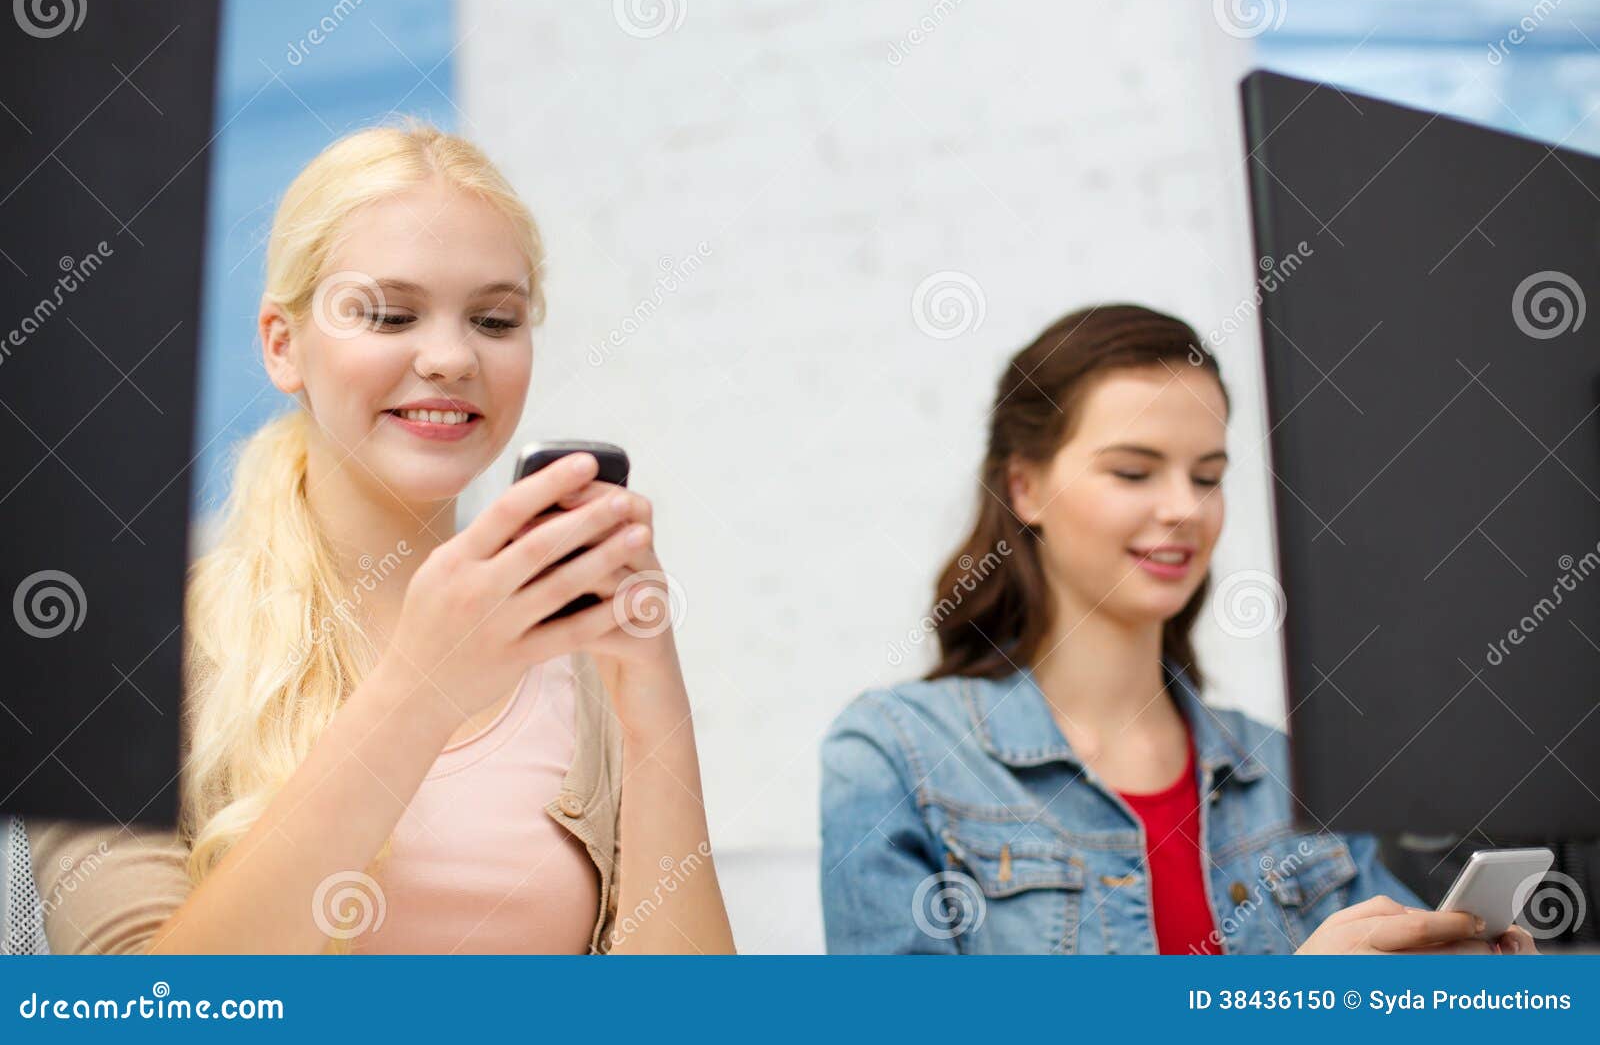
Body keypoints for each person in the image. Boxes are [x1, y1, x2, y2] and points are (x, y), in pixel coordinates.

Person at [28, 120, 733, 955]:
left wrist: (655, 709)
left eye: (495, 321)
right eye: (392, 314)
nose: (449, 357)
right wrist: (421, 688)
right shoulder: (122, 649)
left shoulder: (580, 653)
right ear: (282, 346)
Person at [819, 304, 1535, 955]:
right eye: (1134, 472)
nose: (1183, 509)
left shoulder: (1285, 772)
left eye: (1207, 475)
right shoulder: (897, 755)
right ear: (1025, 488)